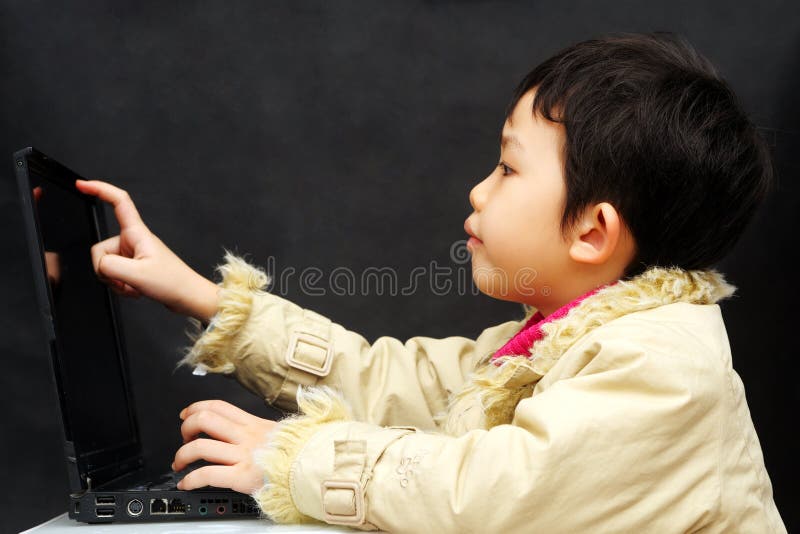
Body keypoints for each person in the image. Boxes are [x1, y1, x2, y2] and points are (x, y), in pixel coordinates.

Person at [74, 31, 786, 532]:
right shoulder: (544, 344)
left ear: (592, 231)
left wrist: (294, 458)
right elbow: (388, 381)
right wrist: (202, 295)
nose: (478, 192)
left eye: (508, 169)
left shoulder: (663, 367)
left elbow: (494, 497)